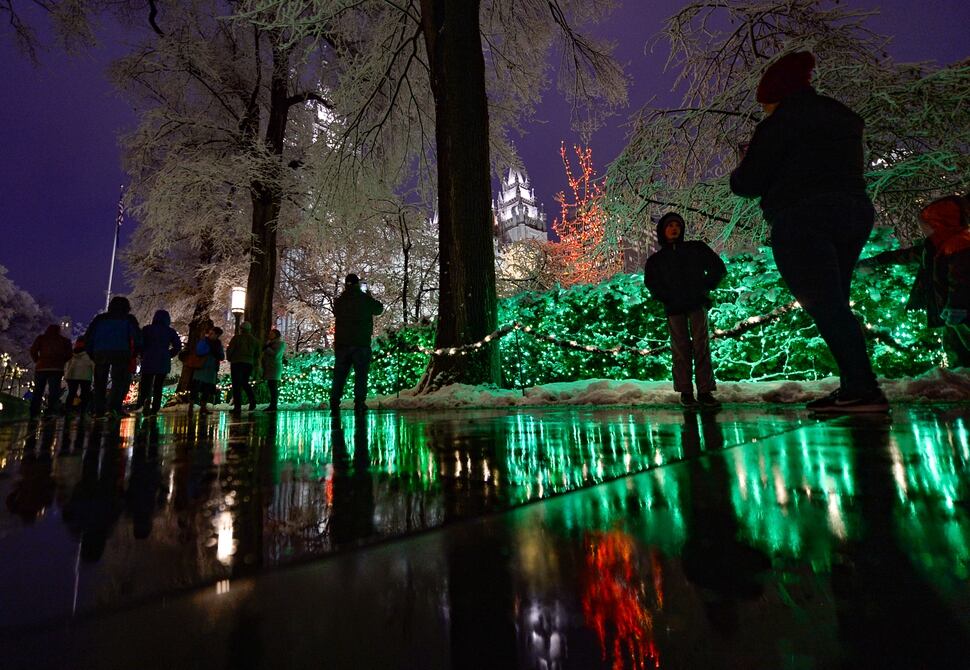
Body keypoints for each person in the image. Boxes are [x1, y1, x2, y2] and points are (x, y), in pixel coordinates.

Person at [730, 51, 887, 413]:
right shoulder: (841, 116)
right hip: (853, 211)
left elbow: (747, 182)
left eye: (766, 104)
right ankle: (854, 385)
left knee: (825, 305)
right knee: (836, 303)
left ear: (776, 96)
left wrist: (744, 163)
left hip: (802, 217)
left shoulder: (780, 123)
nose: (764, 111)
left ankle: (863, 389)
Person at [860, 195, 970, 367]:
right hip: (951, 311)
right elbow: (906, 255)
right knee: (956, 351)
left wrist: (958, 306)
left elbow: (963, 280)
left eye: (927, 225)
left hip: (961, 311)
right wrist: (876, 260)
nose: (923, 230)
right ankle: (961, 384)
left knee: (963, 348)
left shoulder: (958, 245)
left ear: (939, 223)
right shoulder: (936, 246)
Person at [644, 212, 727, 408]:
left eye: (677, 226)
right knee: (680, 350)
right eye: (669, 226)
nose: (674, 229)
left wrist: (705, 287)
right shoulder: (657, 260)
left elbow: (718, 268)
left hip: (696, 303)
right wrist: (666, 297)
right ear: (662, 231)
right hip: (674, 308)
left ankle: (705, 391)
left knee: (701, 346)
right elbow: (651, 283)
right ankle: (686, 392)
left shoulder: (695, 249)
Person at [330, 274, 383, 415]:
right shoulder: (364, 299)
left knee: (339, 375)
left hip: (342, 344)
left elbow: (337, 313)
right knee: (361, 375)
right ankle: (359, 403)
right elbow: (378, 309)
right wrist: (369, 295)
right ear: (358, 284)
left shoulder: (340, 301)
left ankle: (334, 401)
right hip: (361, 344)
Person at [84, 296, 142, 418]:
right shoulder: (129, 319)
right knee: (118, 381)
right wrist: (135, 351)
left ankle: (98, 409)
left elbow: (89, 336)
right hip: (121, 352)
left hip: (100, 352)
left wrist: (91, 353)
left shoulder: (100, 319)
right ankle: (114, 407)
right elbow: (137, 336)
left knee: (100, 382)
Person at [139, 309, 183, 416]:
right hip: (163, 360)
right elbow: (178, 345)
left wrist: (142, 354)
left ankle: (145, 402)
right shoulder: (170, 331)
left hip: (148, 358)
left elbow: (139, 343)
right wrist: (169, 354)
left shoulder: (147, 329)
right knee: (158, 385)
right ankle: (155, 408)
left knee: (146, 383)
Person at [28, 324, 73, 418]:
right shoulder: (64, 341)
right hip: (56, 368)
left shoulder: (41, 338)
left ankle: (34, 411)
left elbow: (33, 350)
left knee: (38, 390)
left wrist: (38, 360)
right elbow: (69, 354)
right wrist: (61, 361)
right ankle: (51, 411)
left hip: (41, 367)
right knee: (54, 391)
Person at [226, 322, 261, 416]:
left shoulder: (236, 338)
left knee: (236, 384)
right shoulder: (255, 340)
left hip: (237, 362)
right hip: (248, 363)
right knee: (245, 382)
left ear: (241, 329)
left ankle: (237, 407)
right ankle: (252, 399)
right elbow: (257, 354)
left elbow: (230, 350)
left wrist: (229, 358)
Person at [190, 327, 224, 414]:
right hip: (201, 366)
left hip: (211, 368)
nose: (210, 335)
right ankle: (191, 405)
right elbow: (199, 351)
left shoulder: (217, 344)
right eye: (210, 333)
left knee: (207, 388)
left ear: (217, 335)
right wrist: (211, 349)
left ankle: (203, 407)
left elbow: (221, 356)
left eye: (213, 333)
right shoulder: (204, 341)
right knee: (196, 386)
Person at [64, 338, 95, 414]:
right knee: (85, 394)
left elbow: (67, 365)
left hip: (72, 376)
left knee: (72, 393)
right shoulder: (89, 354)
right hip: (85, 376)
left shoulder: (71, 354)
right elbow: (93, 365)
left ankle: (69, 410)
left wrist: (66, 375)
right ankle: (83, 410)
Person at [261, 328, 286, 411]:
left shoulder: (279, 344)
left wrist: (267, 349)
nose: (270, 335)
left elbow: (276, 355)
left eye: (272, 333)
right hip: (269, 367)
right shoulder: (270, 344)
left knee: (273, 386)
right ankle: (272, 404)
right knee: (271, 386)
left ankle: (273, 405)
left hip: (274, 367)